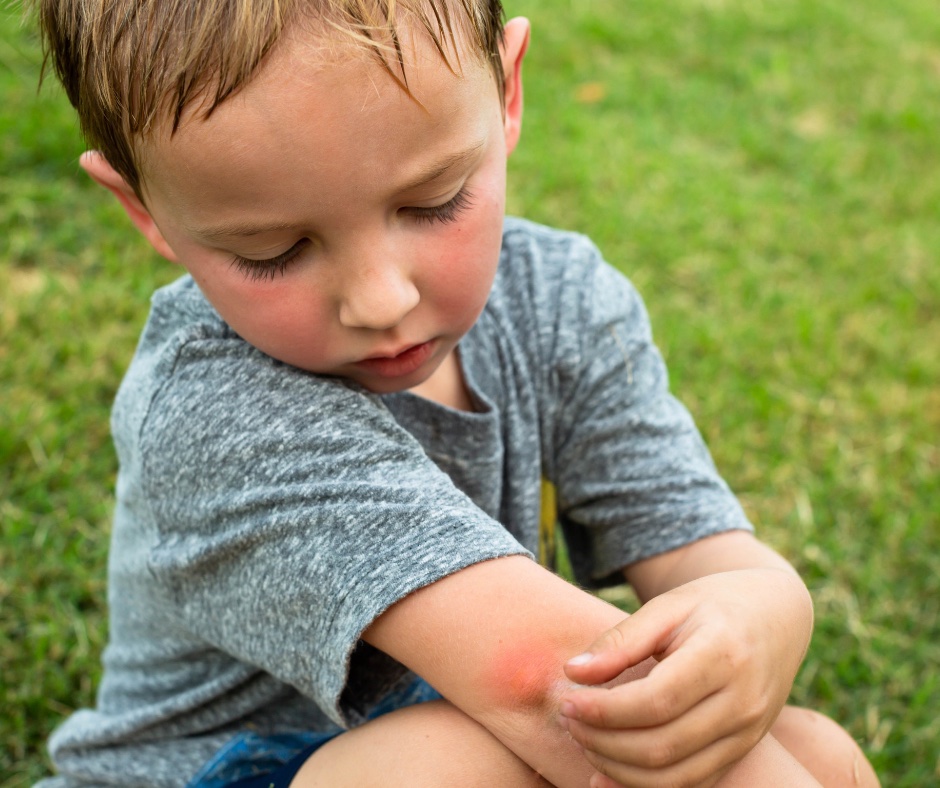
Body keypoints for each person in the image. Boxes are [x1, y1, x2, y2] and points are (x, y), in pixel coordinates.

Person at [33, 1, 879, 786]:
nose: (381, 300)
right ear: (144, 207)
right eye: (271, 250)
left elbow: (703, 548)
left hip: (455, 737)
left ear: (506, 92)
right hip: (223, 773)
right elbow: (547, 690)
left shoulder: (559, 300)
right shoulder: (214, 410)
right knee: (457, 762)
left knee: (823, 756)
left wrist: (765, 604)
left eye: (433, 201)